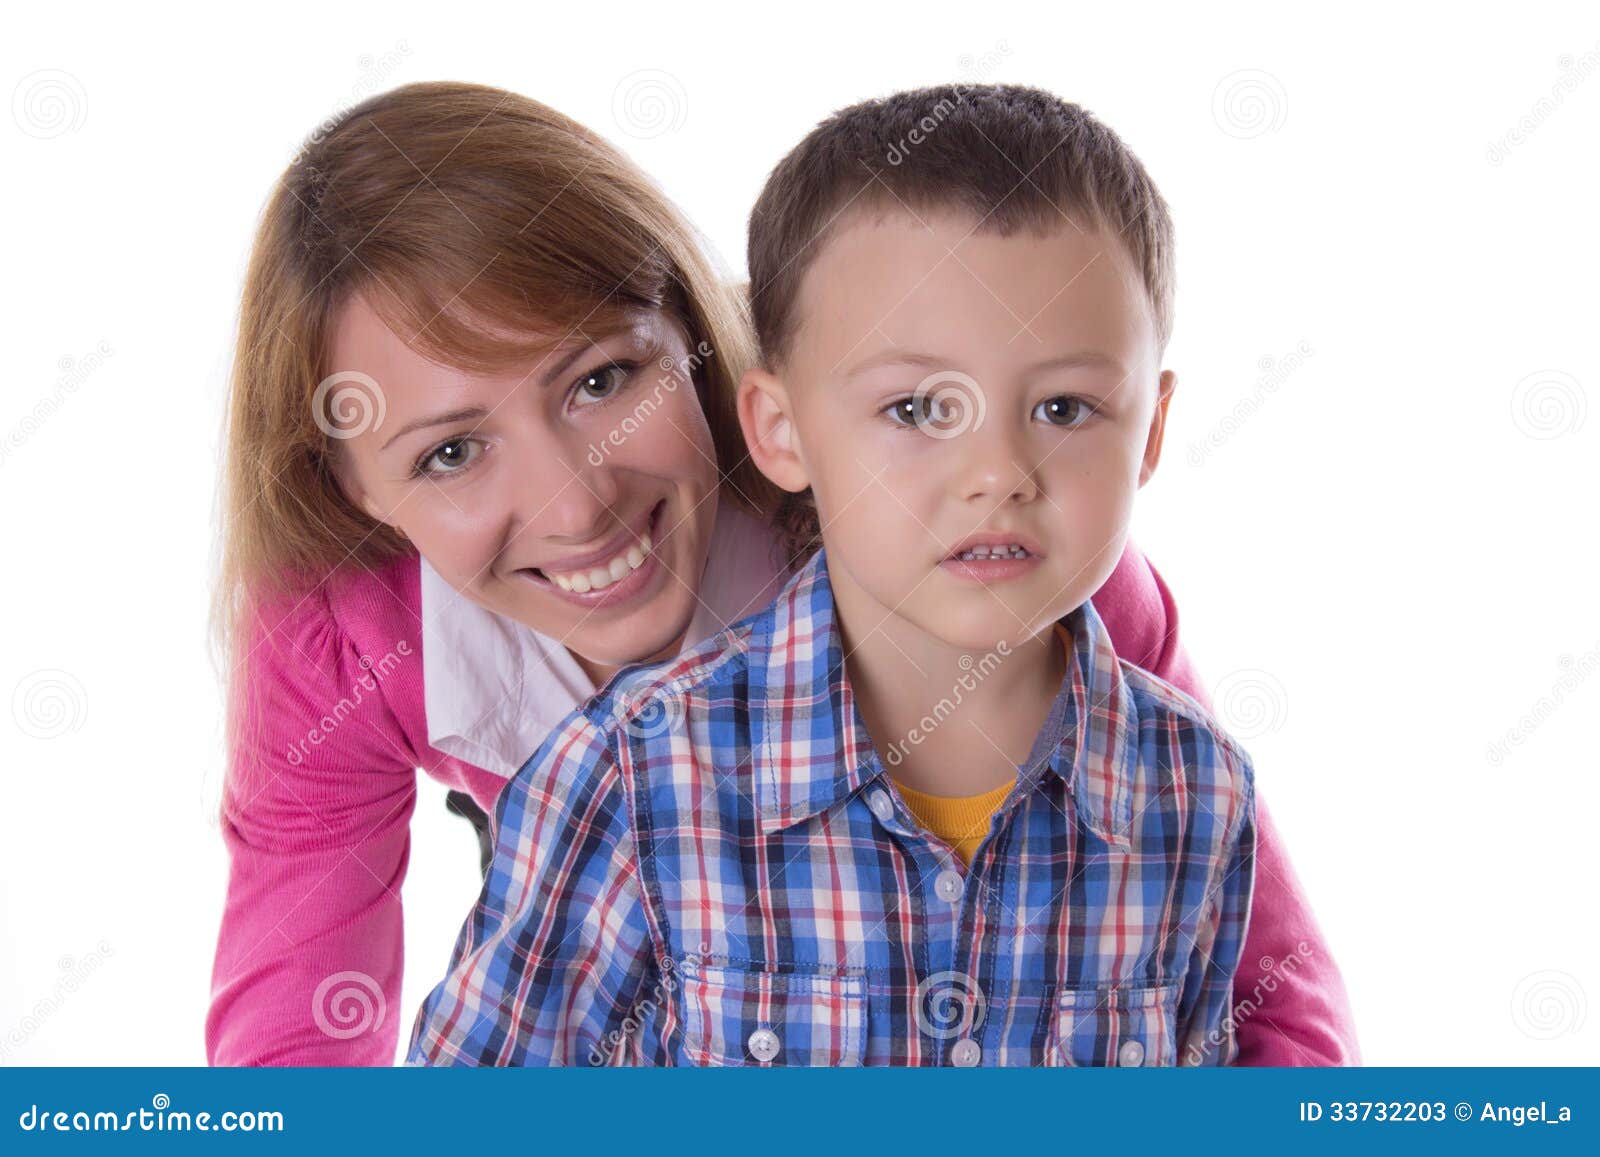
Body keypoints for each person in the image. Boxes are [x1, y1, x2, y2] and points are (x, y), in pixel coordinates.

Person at [210, 80, 1356, 1066]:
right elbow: (299, 1044)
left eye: (605, 380)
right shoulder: (354, 644)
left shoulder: (998, 550)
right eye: (450, 451)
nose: (578, 499)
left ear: (705, 345)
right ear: (352, 485)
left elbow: (1264, 987)